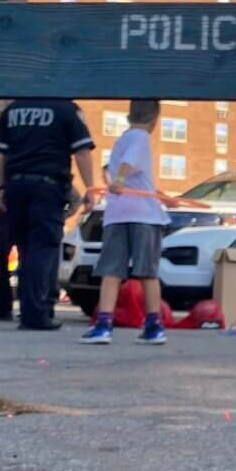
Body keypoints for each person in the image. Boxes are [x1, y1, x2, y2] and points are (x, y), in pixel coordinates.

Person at [0, 96, 96, 332]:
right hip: (47, 186)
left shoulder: (13, 109)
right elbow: (82, 151)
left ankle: (29, 310)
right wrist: (90, 188)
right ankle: (36, 313)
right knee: (43, 248)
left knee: (25, 248)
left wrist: (1, 186)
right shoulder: (66, 108)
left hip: (16, 185)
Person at [82, 100, 167, 345]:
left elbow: (137, 178)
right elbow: (129, 166)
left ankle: (104, 325)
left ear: (129, 116)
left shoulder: (125, 138)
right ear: (155, 121)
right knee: (147, 272)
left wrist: (159, 195)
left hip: (119, 213)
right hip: (142, 215)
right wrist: (118, 179)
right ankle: (154, 325)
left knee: (112, 270)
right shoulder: (141, 137)